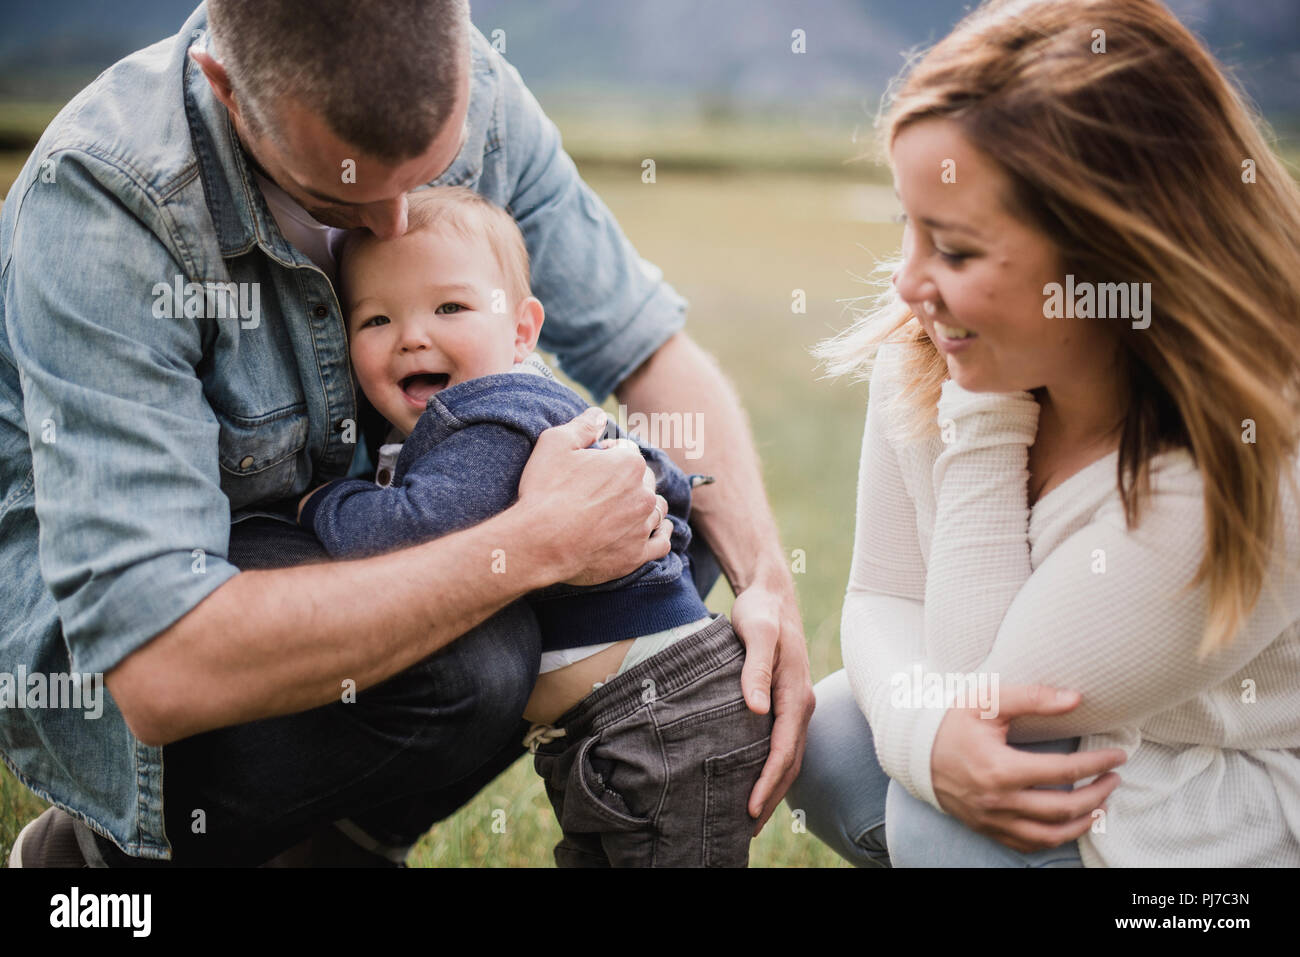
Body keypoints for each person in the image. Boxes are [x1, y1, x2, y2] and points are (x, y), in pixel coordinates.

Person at [1, 0, 812, 867]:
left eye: (428, 172)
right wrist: (538, 542)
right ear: (226, 91)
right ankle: (98, 860)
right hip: (159, 643)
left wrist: (765, 582)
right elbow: (159, 665)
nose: (391, 223)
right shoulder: (109, 202)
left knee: (661, 530)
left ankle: (339, 841)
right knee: (475, 657)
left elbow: (646, 345)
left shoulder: (475, 84)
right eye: (337, 195)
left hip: (345, 545)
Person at [790, 0, 1300, 867]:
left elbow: (991, 696)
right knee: (834, 735)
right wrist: (927, 738)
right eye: (906, 228)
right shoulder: (943, 340)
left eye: (954, 250)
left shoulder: (1234, 456)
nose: (909, 283)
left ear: (1109, 252)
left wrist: (987, 419)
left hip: (1234, 816)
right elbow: (882, 596)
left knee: (960, 819)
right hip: (1106, 744)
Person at [297, 186, 774, 866]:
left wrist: (321, 503)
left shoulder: (490, 417)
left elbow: (406, 534)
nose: (412, 335)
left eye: (450, 307)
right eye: (375, 320)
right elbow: (666, 481)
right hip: (623, 720)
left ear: (521, 330)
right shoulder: (518, 408)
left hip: (665, 720)